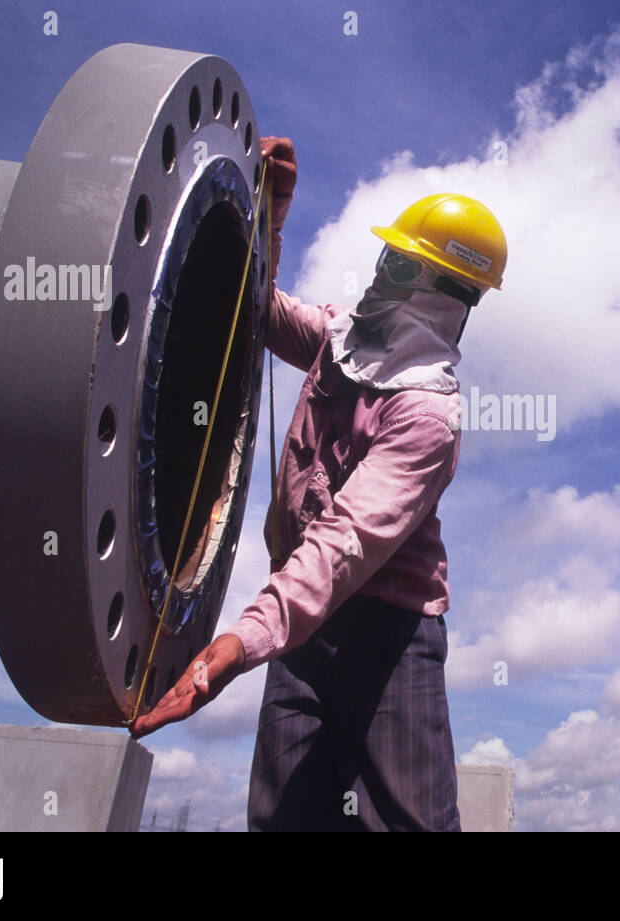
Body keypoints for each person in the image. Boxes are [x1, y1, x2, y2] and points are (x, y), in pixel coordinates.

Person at [130, 136, 508, 833]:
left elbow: (343, 545)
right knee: (284, 819)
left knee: (405, 821)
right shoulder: (341, 341)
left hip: (388, 632)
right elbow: (262, 311)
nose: (378, 274)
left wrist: (240, 641)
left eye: (397, 265)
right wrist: (270, 217)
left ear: (435, 294)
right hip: (302, 621)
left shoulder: (425, 414)